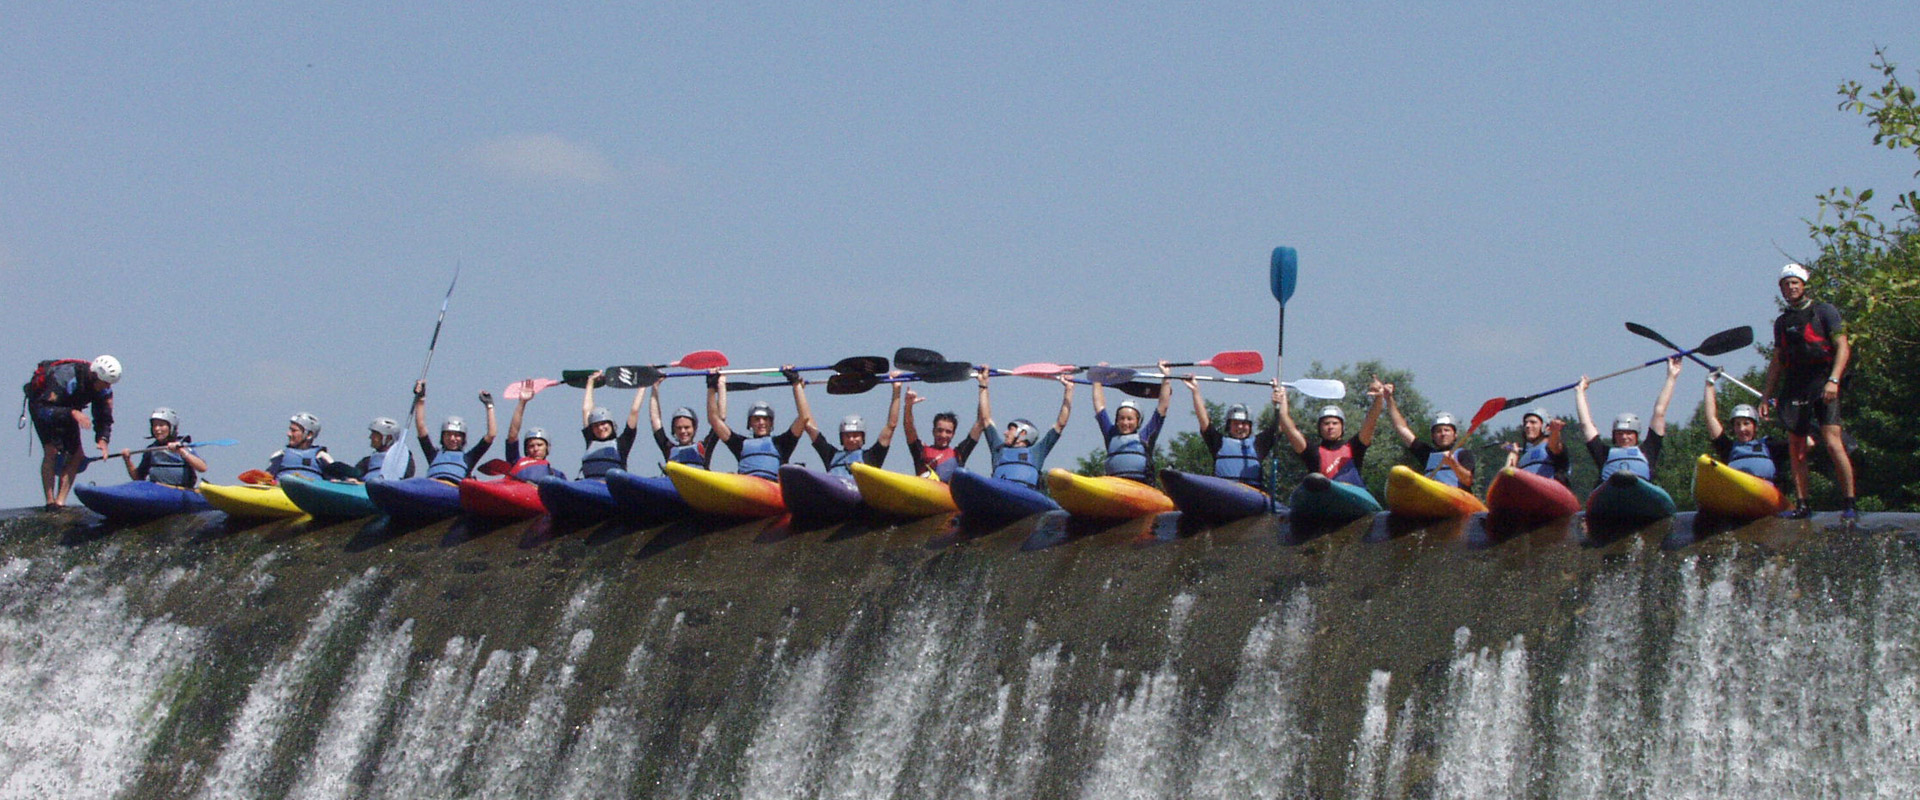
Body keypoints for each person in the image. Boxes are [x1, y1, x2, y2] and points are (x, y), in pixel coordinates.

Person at [1759, 262, 1857, 519]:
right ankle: (1803, 503)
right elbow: (1778, 360)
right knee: (1796, 445)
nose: (1790, 288)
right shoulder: (1782, 322)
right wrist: (1766, 395)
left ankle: (1849, 501)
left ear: (1803, 285)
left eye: (1794, 283)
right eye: (1786, 284)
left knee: (1833, 442)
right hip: (1795, 385)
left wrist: (1834, 380)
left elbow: (1843, 347)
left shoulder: (1824, 311)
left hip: (1823, 380)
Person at [24, 355, 119, 509]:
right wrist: (72, 413)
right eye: (105, 382)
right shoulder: (66, 377)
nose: (107, 386)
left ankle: (60, 502)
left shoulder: (105, 390)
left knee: (77, 455)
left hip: (70, 409)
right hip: (43, 406)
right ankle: (50, 501)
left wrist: (103, 439)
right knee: (51, 451)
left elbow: (104, 417)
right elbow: (44, 410)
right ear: (95, 376)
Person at [1576, 356, 1683, 481]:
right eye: (1620, 433)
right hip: (1611, 495)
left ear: (1636, 435)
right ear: (1614, 436)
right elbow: (1586, 424)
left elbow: (1659, 412)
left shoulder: (1649, 450)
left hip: (1640, 496)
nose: (1624, 437)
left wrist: (1672, 377)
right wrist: (1580, 392)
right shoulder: (1603, 454)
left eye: (1629, 433)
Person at [1278, 376, 1386, 487]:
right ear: (1319, 428)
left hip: (1350, 500)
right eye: (1326, 423)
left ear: (1342, 427)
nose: (1330, 427)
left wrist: (1379, 398)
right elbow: (1288, 428)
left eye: (1335, 423)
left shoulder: (1354, 447)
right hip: (1323, 499)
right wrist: (1282, 397)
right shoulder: (1312, 452)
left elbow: (1371, 422)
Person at [708, 366, 812, 480]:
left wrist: (796, 384)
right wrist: (711, 388)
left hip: (772, 488)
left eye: (765, 419)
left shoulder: (782, 443)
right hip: (747, 487)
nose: (761, 422)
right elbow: (715, 421)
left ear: (771, 423)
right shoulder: (740, 444)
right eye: (756, 419)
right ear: (750, 424)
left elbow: (804, 417)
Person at [977, 371, 1074, 489]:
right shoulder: (998, 449)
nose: (1005, 433)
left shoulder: (1037, 452)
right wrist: (983, 384)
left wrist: (1069, 389)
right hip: (1001, 496)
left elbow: (1060, 424)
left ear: (1023, 433)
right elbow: (986, 419)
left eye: (1010, 430)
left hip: (1026, 498)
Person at [1183, 376, 1282, 490]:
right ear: (1229, 425)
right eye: (1235, 423)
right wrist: (1195, 391)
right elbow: (1204, 421)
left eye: (1244, 423)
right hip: (1224, 493)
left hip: (1251, 494)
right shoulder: (1218, 443)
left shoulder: (1259, 444)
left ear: (1250, 426)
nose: (1240, 427)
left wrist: (1279, 401)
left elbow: (1280, 426)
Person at [1089, 362, 1172, 483]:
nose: (1125, 422)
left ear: (1138, 422)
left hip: (1141, 486)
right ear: (1116, 421)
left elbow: (1162, 407)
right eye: (1121, 418)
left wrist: (1166, 378)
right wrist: (1097, 379)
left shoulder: (1145, 436)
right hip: (1116, 486)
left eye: (1129, 419)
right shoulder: (1111, 434)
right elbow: (1099, 407)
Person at [1385, 383, 1475, 490]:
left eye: (1447, 430)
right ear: (1433, 436)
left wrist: (1453, 463)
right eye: (1438, 431)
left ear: (1455, 435)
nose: (1443, 434)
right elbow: (1401, 428)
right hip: (1434, 500)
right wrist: (1388, 399)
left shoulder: (1463, 454)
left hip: (1458, 497)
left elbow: (1467, 480)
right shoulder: (1427, 454)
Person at [808, 379, 903, 475]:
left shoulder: (871, 457)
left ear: (862, 438)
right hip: (836, 488)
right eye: (847, 436)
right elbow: (809, 426)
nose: (851, 439)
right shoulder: (831, 456)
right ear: (841, 438)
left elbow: (891, 425)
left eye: (855, 435)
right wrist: (797, 387)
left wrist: (896, 390)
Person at [901, 374, 987, 482]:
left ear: (953, 434)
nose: (943, 435)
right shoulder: (921, 452)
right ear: (933, 431)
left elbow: (981, 422)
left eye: (948, 432)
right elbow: (909, 428)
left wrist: (983, 385)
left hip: (947, 497)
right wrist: (908, 405)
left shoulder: (958, 454)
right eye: (940, 430)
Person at [1703, 372, 1786, 482]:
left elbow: (1806, 443)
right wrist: (1710, 384)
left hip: (1766, 493)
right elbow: (1711, 419)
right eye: (1737, 424)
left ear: (1755, 427)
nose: (1742, 429)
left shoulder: (1770, 447)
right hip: (1738, 495)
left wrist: (1789, 412)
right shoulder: (1728, 449)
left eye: (1746, 423)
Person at [411, 380, 497, 483]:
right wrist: (421, 398)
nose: (452, 439)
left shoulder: (469, 458)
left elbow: (491, 435)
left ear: (463, 439)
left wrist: (489, 406)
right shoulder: (433, 454)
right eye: (448, 435)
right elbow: (421, 427)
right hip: (433, 488)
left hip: (455, 491)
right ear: (442, 437)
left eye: (457, 435)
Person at [577, 370, 644, 479]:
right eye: (596, 425)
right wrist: (590, 382)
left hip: (612, 489)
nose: (600, 428)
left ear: (612, 425)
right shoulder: (590, 440)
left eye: (604, 424)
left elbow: (634, 411)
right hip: (591, 487)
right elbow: (586, 410)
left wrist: (643, 384)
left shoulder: (622, 443)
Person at [120, 407, 207, 488]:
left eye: (161, 425)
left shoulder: (183, 446)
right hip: (158, 491)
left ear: (171, 427)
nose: (157, 429)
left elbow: (202, 468)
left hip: (182, 491)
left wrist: (181, 451)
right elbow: (138, 478)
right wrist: (127, 460)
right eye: (154, 425)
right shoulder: (151, 450)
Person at [650, 381, 719, 469]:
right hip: (674, 482)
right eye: (679, 428)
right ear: (674, 429)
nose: (683, 431)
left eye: (687, 427)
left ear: (694, 428)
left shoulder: (705, 447)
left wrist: (712, 386)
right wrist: (655, 387)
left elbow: (719, 419)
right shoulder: (669, 449)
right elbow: (655, 419)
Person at [503, 386, 566, 481]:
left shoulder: (556, 475)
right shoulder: (516, 463)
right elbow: (512, 435)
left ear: (547, 447)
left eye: (539, 445)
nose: (535, 449)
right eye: (531, 446)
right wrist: (522, 403)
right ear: (526, 449)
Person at [1502, 407, 1569, 485]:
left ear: (1546, 427)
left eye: (1533, 422)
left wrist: (1555, 430)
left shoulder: (1552, 447)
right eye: (1525, 423)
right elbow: (1509, 478)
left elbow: (1554, 445)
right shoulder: (1525, 456)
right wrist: (1513, 453)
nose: (1527, 426)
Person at [267, 412, 335, 481]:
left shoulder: (321, 456)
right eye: (290, 430)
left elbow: (334, 478)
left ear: (309, 435)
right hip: (281, 490)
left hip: (311, 490)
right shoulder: (280, 455)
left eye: (294, 431)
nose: (289, 434)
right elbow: (269, 476)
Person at [350, 418, 413, 482]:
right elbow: (357, 474)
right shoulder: (367, 461)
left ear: (388, 438)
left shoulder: (403, 460)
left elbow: (406, 478)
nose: (370, 437)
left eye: (375, 435)